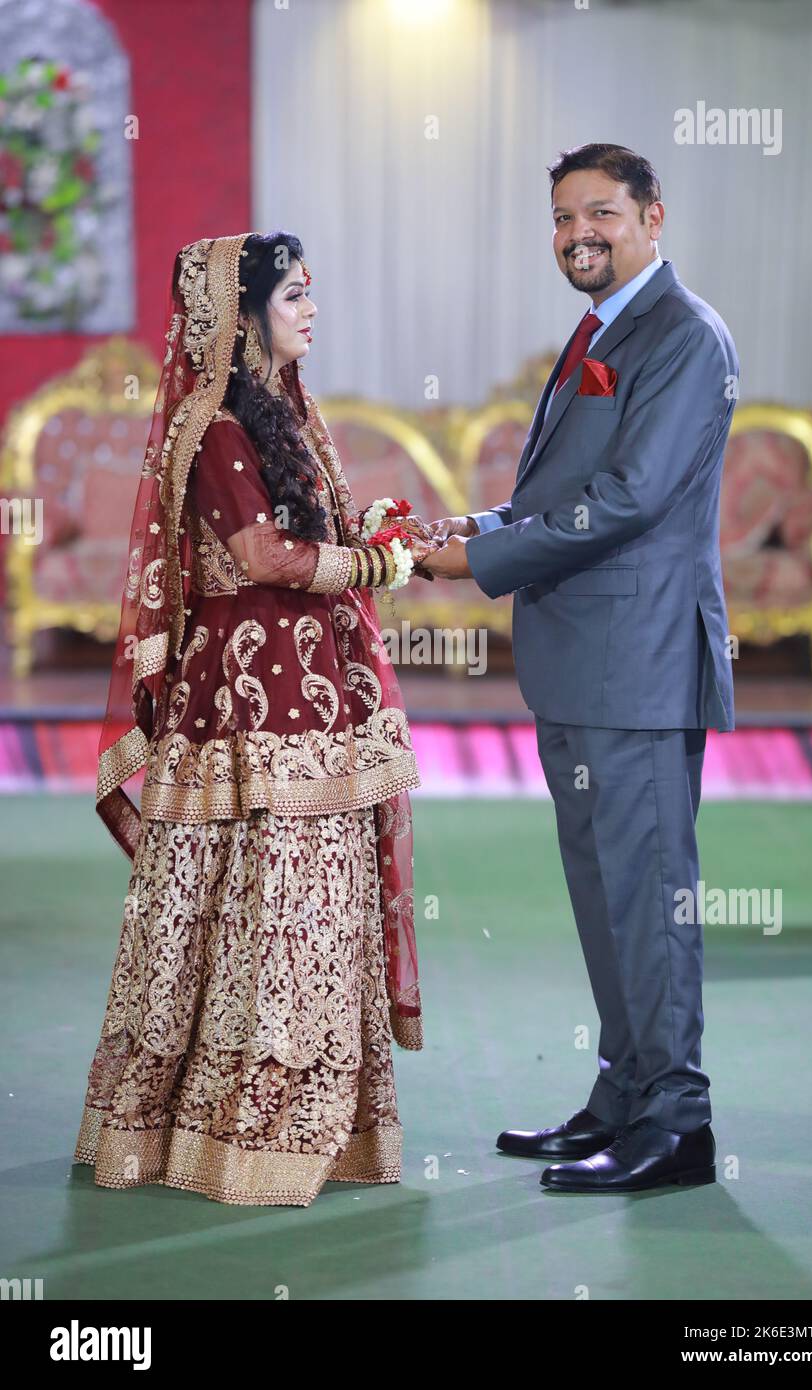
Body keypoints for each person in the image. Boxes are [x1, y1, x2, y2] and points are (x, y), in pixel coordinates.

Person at [73, 231, 436, 1207]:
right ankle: (219, 1135)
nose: (310, 312)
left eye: (313, 294)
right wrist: (378, 567)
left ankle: (316, 1129)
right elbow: (265, 558)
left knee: (312, 911)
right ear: (240, 316)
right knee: (253, 914)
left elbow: (305, 540)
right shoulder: (216, 426)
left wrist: (374, 533)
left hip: (312, 697)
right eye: (293, 298)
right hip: (243, 704)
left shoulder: (286, 414)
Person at [421, 143, 738, 1193]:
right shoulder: (603, 327)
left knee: (647, 901)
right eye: (560, 219)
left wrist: (484, 557)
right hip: (581, 668)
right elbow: (576, 477)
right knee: (604, 900)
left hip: (637, 668)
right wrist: (488, 518)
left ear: (653, 215)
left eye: (597, 213)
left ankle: (676, 1120)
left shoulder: (683, 336)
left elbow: (634, 495)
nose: (575, 236)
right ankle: (620, 1096)